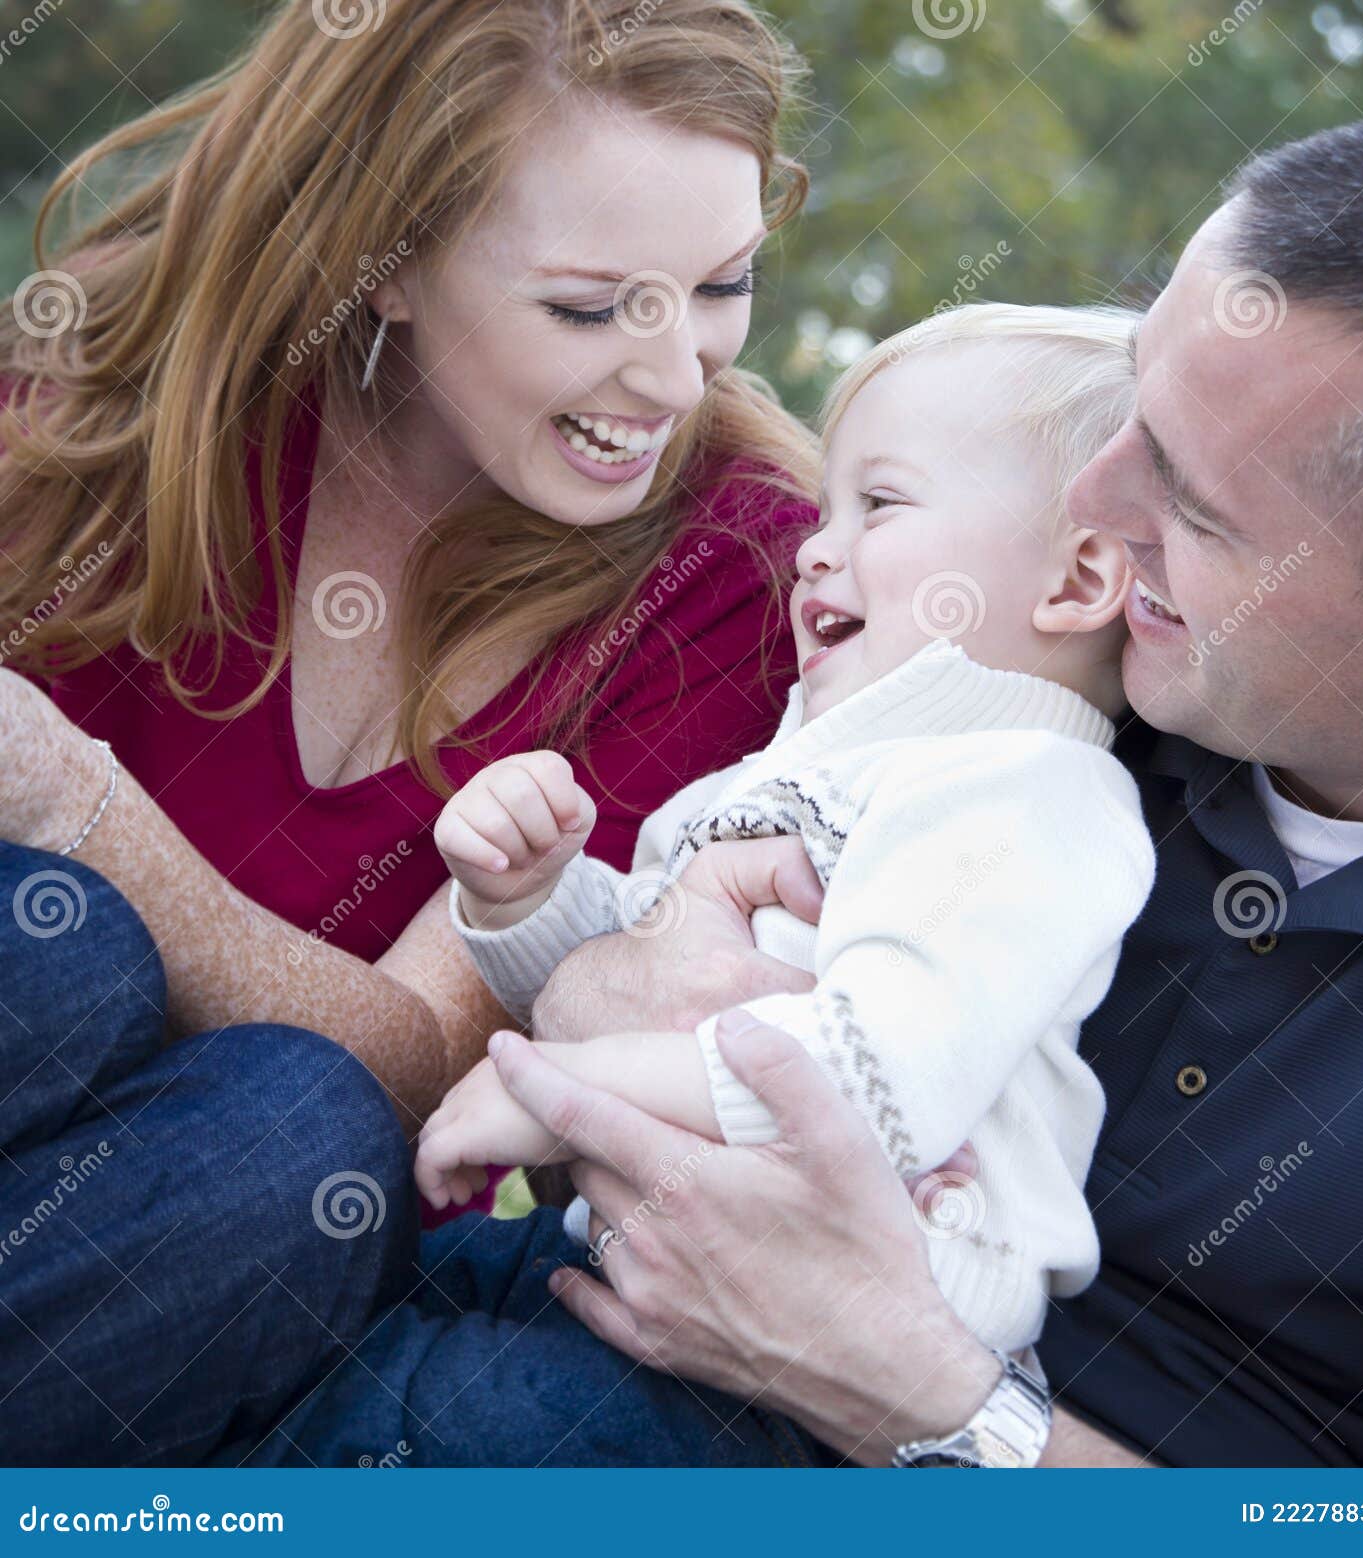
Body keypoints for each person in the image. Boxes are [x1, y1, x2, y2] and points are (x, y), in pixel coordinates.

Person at [442, 103, 1363, 1468]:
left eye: (1193, 502)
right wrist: (610, 974)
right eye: (1138, 403)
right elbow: (665, 947)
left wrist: (915, 1392)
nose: (1093, 508)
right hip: (598, 1330)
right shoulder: (1038, 662)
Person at [0, 0, 823, 1465]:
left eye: (722, 284)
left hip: (217, 1265)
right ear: (379, 261)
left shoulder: (731, 576)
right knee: (56, 956)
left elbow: (434, 1065)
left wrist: (73, 803)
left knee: (302, 1133)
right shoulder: (129, 398)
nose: (673, 378)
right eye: (588, 308)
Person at [417, 304, 1158, 1364]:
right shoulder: (780, 774)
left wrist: (563, 1099)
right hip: (635, 1270)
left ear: (1077, 580)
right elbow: (608, 982)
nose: (815, 549)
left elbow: (877, 1077)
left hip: (821, 1350)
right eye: (824, 508)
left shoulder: (1033, 795)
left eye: (880, 503)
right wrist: (528, 896)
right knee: (308, 1318)